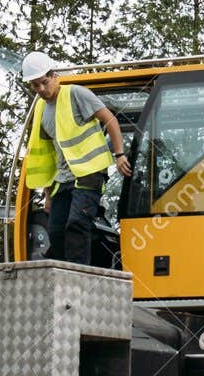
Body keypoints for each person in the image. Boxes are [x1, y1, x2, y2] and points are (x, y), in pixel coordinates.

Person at [20, 51, 131, 266]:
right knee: (56, 229)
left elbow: (110, 120)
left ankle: (78, 277)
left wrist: (119, 155)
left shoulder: (76, 94)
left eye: (44, 82)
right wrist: (48, 195)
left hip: (90, 173)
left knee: (77, 223)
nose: (41, 90)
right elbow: (52, 154)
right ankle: (62, 275)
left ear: (54, 76)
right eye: (35, 86)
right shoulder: (41, 109)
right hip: (62, 179)